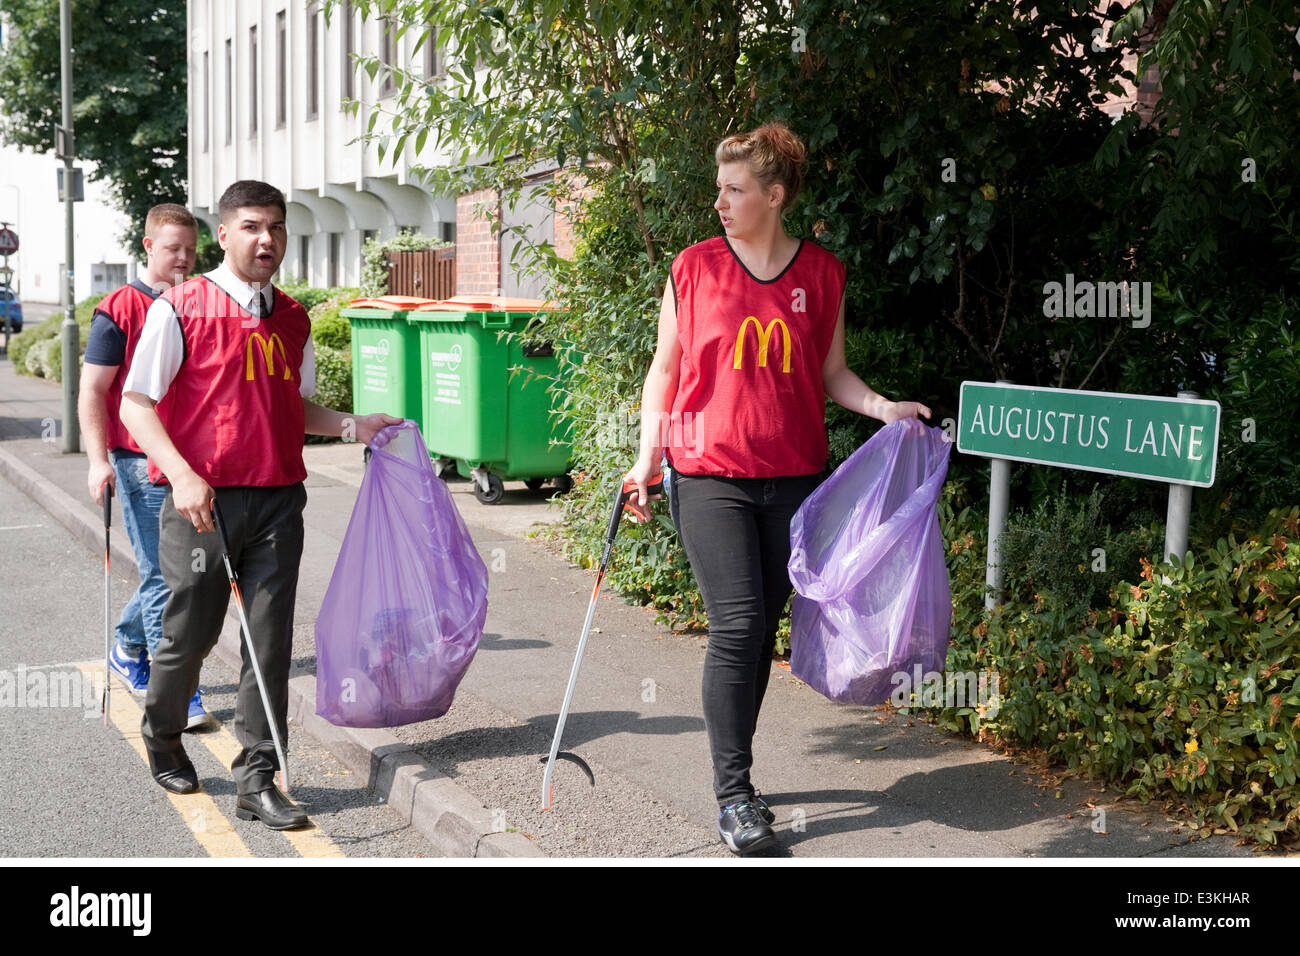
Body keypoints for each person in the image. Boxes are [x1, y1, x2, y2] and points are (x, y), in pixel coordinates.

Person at [625, 122, 932, 854]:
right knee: (736, 626)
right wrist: (647, 459)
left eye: (734, 189)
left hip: (795, 480)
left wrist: (885, 408)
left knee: (762, 632)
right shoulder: (693, 268)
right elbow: (663, 372)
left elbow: (831, 375)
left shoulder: (822, 275)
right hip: (708, 476)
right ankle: (734, 795)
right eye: (719, 188)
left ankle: (740, 768)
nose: (720, 202)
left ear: (775, 195)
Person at [121, 180, 400, 830]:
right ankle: (162, 733)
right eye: (251, 226)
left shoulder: (294, 317)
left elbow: (291, 407)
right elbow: (137, 404)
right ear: (224, 234)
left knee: (269, 646)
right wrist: (183, 475)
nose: (266, 238)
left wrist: (357, 425)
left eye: (275, 226)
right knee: (188, 636)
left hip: (278, 501)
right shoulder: (180, 308)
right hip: (201, 505)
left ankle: (257, 779)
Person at [78, 203, 215, 729]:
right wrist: (97, 461)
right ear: (148, 247)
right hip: (138, 461)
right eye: (172, 248)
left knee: (182, 576)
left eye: (189, 248)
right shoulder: (119, 307)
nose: (182, 258)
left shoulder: (200, 302)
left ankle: (129, 645)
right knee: (170, 575)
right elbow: (94, 389)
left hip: (191, 464)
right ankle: (176, 689)